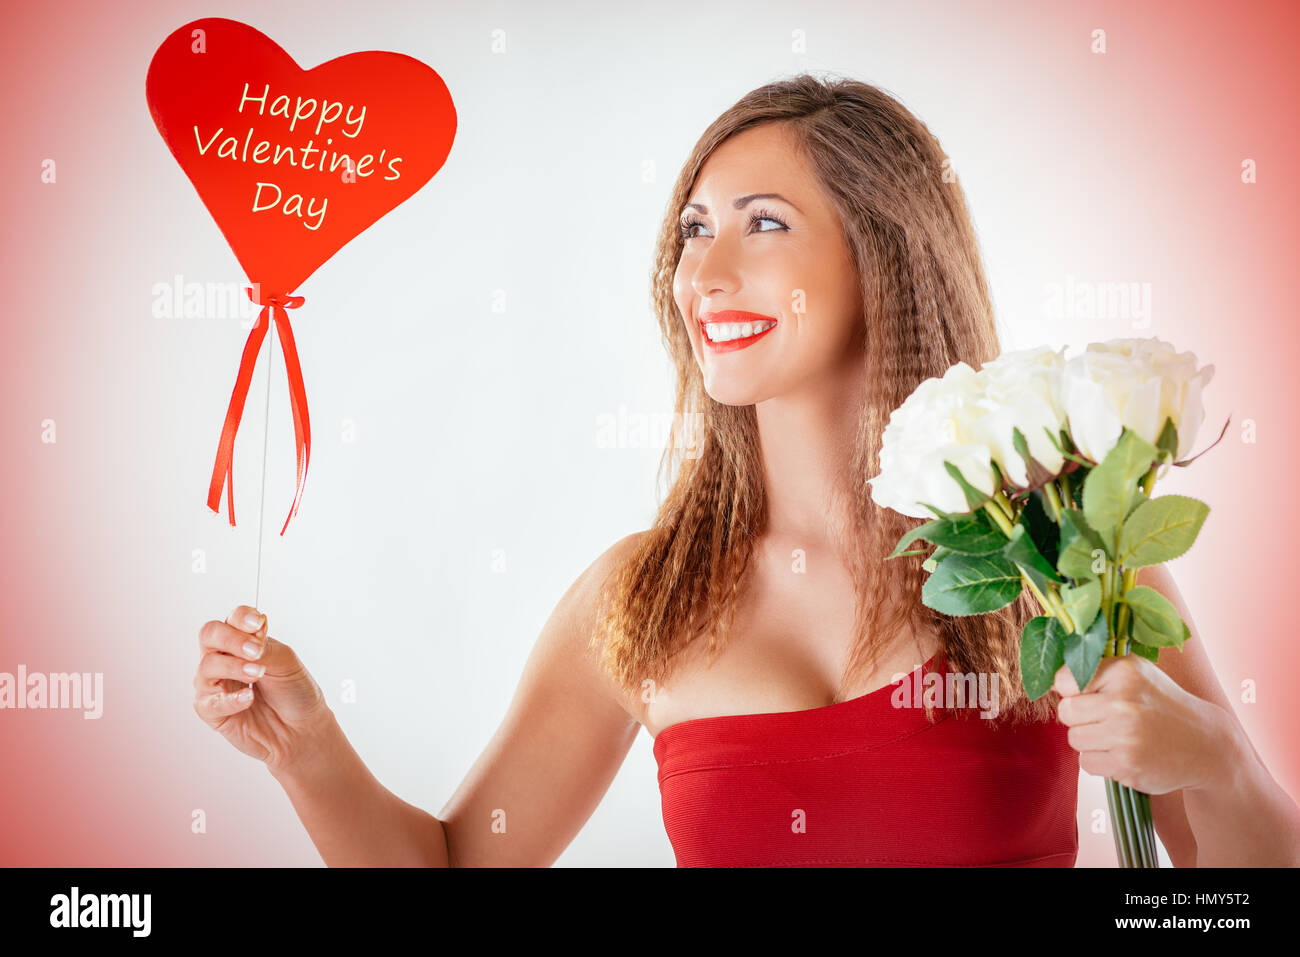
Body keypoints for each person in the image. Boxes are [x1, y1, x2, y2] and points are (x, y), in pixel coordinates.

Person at [192, 74, 1300, 867]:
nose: (704, 274)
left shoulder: (1065, 561)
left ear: (884, 257)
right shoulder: (639, 598)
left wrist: (1214, 762)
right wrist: (307, 751)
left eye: (761, 224)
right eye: (692, 229)